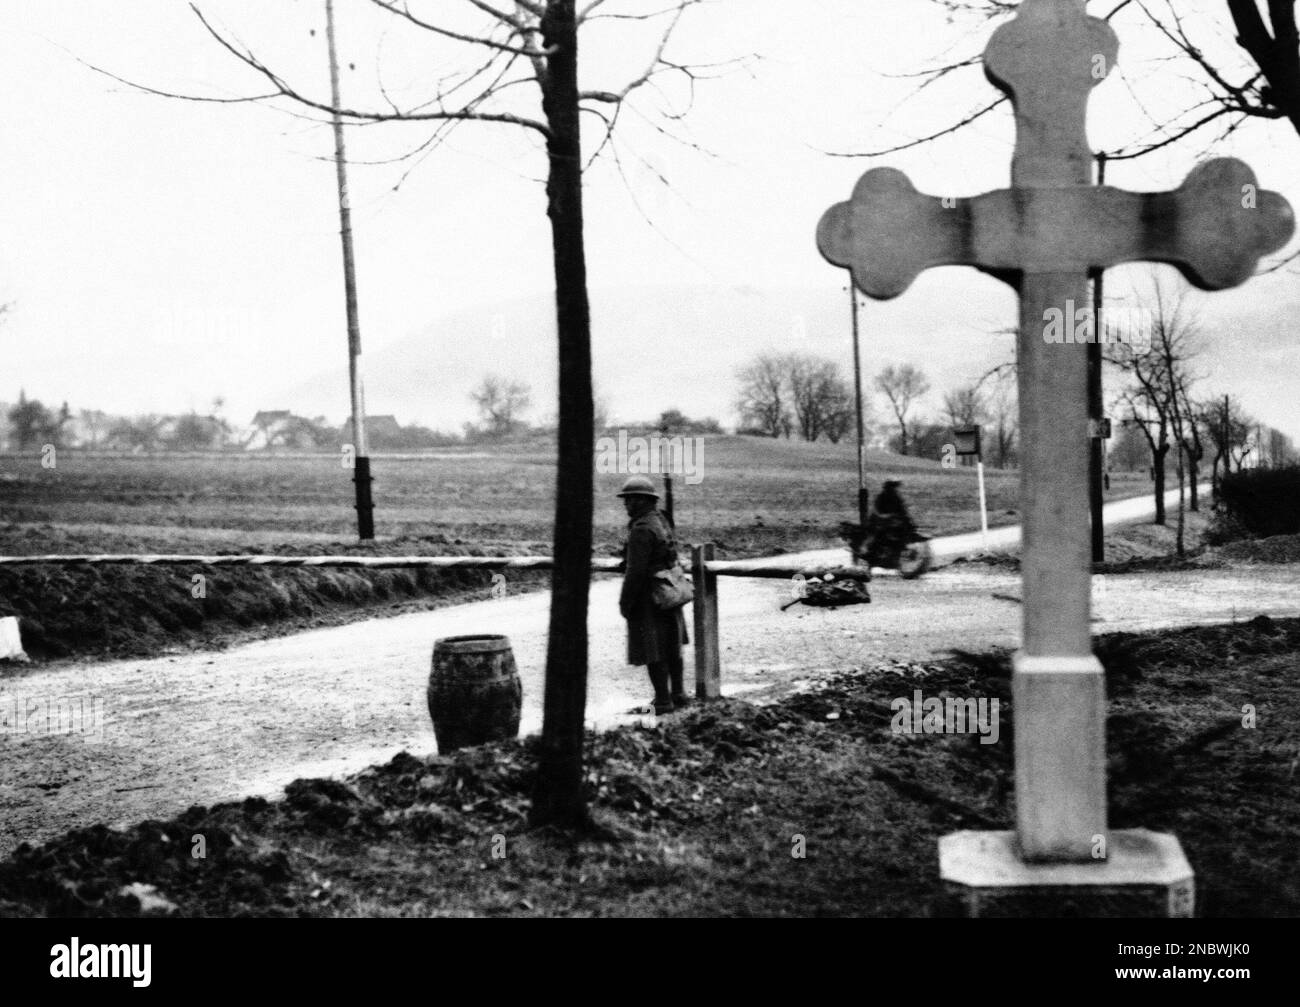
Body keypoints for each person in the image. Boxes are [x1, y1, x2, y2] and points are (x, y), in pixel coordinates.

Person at [617, 475, 690, 715]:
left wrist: (625, 602)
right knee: (672, 645)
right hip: (669, 591)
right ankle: (678, 693)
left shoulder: (641, 528)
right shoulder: (660, 520)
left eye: (629, 500)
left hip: (650, 597)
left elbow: (635, 571)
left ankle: (662, 700)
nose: (626, 505)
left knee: (653, 649)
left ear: (641, 501)